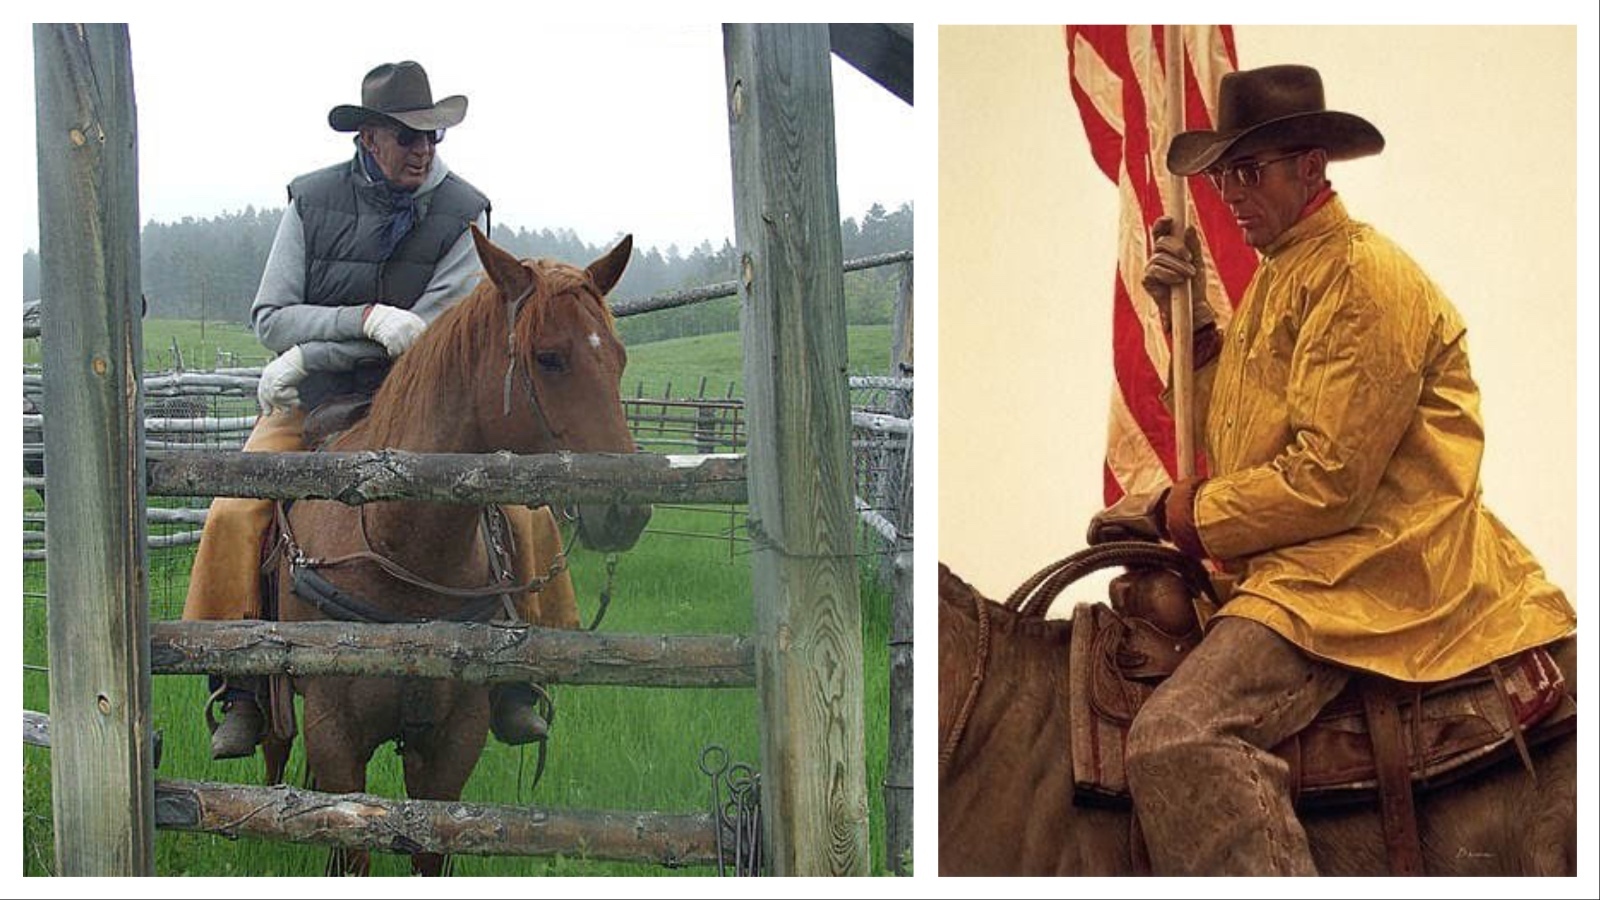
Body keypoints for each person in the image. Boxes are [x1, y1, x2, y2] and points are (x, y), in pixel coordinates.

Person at [1087, 64, 1577, 875]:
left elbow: (1327, 483)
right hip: (1306, 562)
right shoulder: (1284, 278)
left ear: (1311, 167)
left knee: (1178, 737)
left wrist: (1180, 513)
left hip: (1375, 564)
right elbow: (1243, 446)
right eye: (1224, 176)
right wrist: (1203, 333)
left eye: (1250, 172)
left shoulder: (1359, 277)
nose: (1231, 194)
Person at [185, 60, 573, 759]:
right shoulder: (309, 202)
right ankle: (238, 680)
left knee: (526, 512)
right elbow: (272, 316)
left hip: (424, 400)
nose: (424, 150)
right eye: (406, 136)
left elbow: (423, 336)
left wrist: (310, 352)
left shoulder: (465, 212)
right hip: (318, 403)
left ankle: (520, 675)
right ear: (368, 138)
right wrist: (359, 321)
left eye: (432, 138)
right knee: (232, 513)